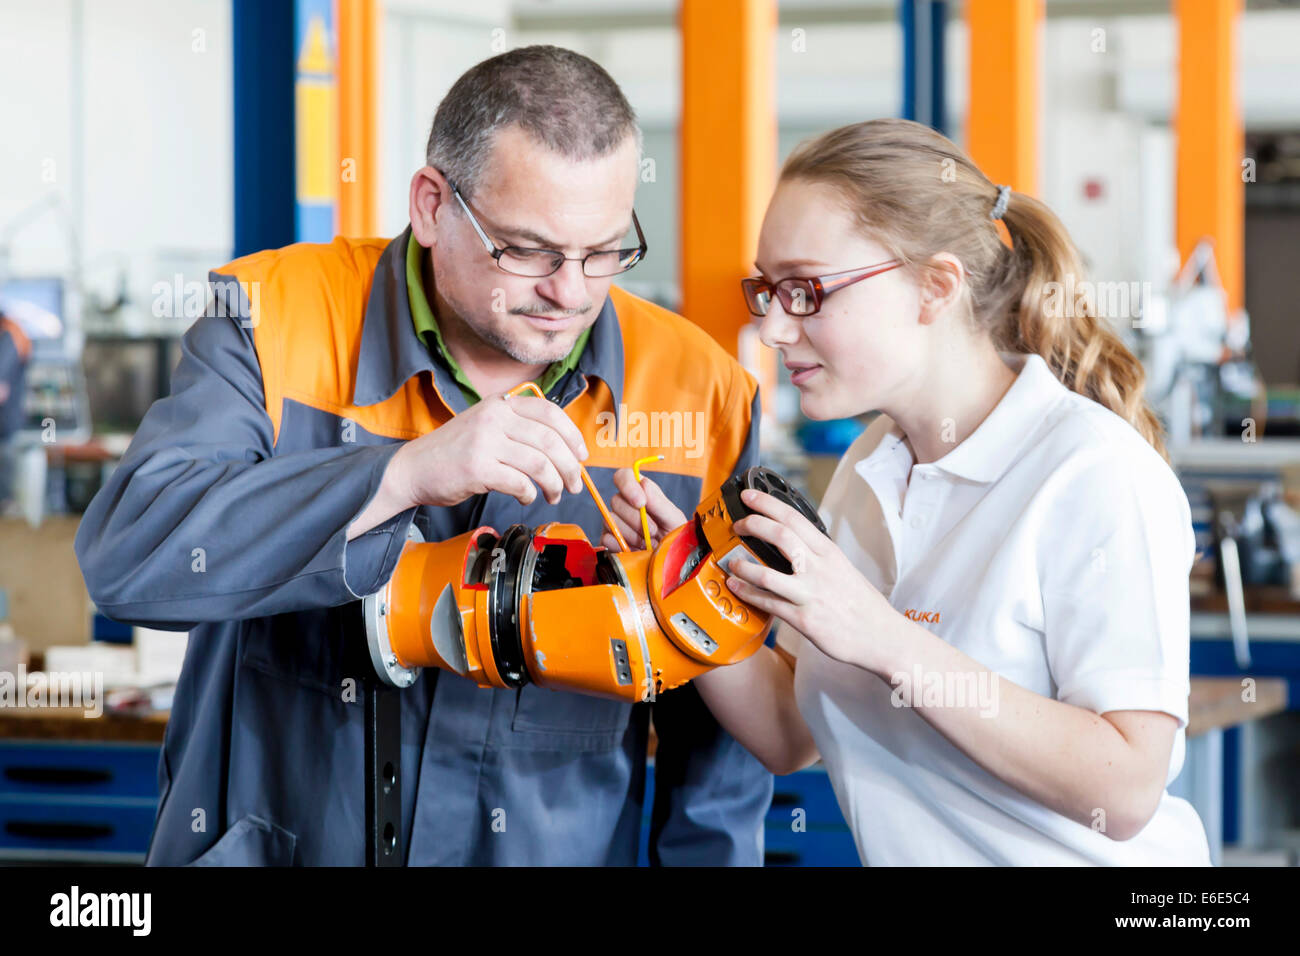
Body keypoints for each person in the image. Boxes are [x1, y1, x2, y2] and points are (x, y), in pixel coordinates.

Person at [75, 46, 772, 866]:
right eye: (530, 251)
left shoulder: (700, 394)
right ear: (433, 205)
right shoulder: (275, 320)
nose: (572, 291)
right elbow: (130, 560)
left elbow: (721, 775)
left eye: (605, 251)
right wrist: (399, 475)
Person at [607, 118, 1212, 866]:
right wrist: (683, 593)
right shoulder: (870, 467)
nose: (771, 329)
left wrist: (882, 636)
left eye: (805, 291)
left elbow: (1124, 788)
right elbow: (789, 734)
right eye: (767, 290)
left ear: (935, 286)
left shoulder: (1092, 472)